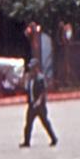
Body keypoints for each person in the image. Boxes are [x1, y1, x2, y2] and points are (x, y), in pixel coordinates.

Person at [22, 20, 59, 148]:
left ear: (36, 68)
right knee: (28, 124)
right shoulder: (31, 79)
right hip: (32, 105)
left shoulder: (39, 78)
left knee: (45, 123)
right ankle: (26, 142)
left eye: (32, 68)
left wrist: (39, 101)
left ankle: (54, 138)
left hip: (40, 105)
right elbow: (27, 89)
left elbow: (43, 91)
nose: (31, 70)